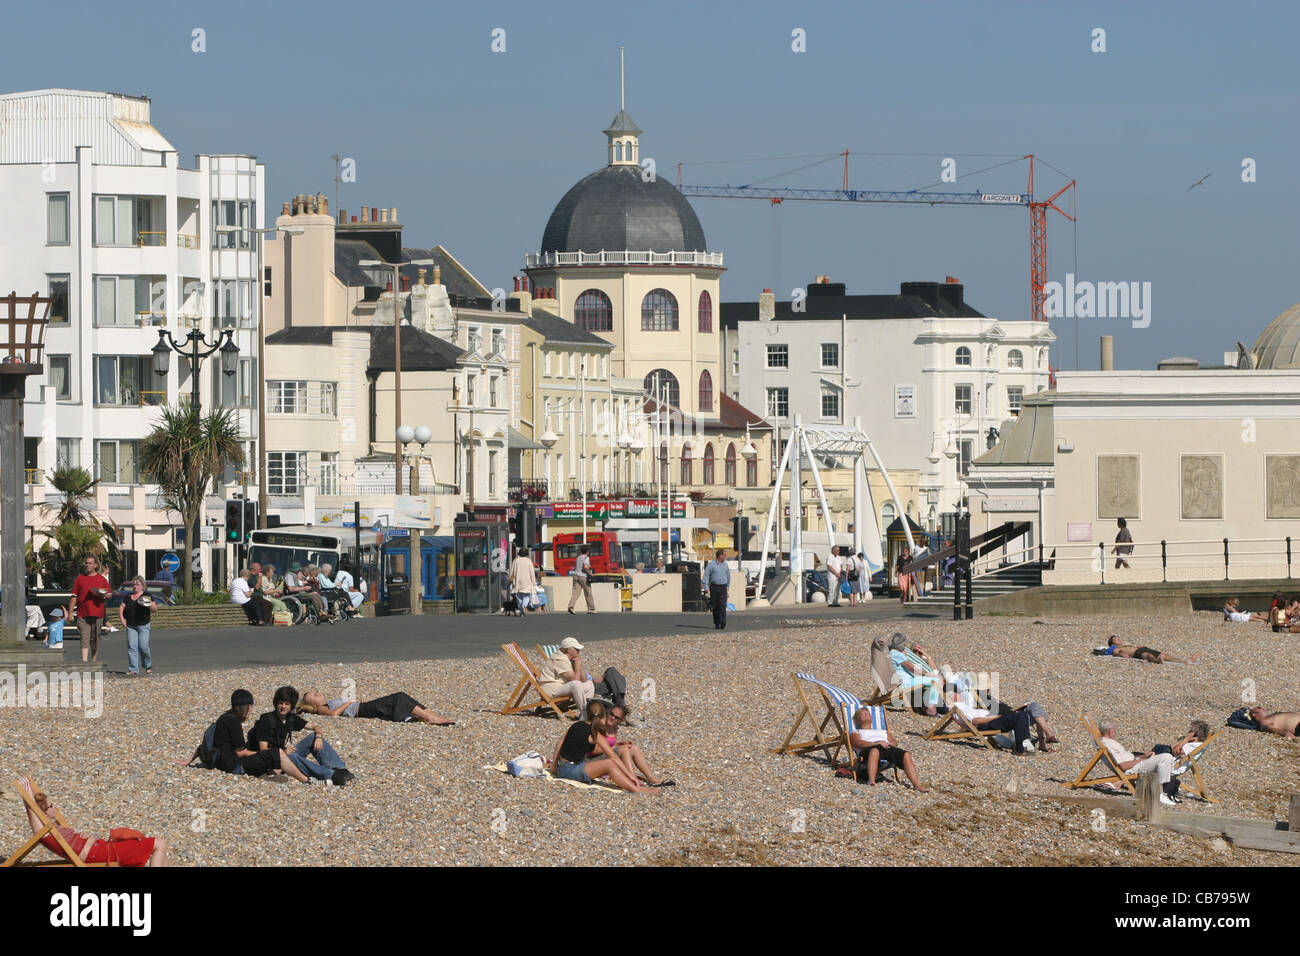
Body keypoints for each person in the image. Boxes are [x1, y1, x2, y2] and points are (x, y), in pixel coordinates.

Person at [17, 776, 168, 867]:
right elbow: (33, 813)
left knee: (159, 846)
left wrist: (79, 836)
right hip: (99, 854)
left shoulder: (53, 827)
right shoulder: (45, 833)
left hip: (102, 848)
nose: (54, 806)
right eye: (50, 806)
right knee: (159, 844)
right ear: (43, 812)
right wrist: (27, 796)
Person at [249, 686, 354, 787]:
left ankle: (339, 769)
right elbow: (263, 750)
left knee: (312, 737)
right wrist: (284, 752)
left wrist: (318, 736)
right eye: (280, 703)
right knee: (292, 756)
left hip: (281, 755)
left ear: (291, 706)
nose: (283, 707)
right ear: (276, 703)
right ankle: (330, 775)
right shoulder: (266, 720)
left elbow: (315, 726)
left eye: (287, 704)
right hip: (267, 762)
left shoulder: (290, 718)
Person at [206, 689, 311, 782]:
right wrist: (266, 755)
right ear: (245, 707)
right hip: (235, 766)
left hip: (223, 763)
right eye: (250, 706)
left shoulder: (223, 718)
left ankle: (278, 772)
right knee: (280, 754)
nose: (251, 710)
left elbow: (205, 742)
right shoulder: (234, 723)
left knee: (287, 755)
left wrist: (189, 761)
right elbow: (240, 753)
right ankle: (307, 780)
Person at [549, 699, 648, 793]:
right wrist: (630, 776)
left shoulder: (576, 725)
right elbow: (613, 757)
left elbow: (560, 742)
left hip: (561, 767)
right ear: (602, 715)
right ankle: (636, 789)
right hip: (570, 771)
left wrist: (554, 765)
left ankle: (636, 784)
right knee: (609, 764)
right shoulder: (595, 734)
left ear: (587, 713)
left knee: (609, 762)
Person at [848, 707, 930, 791]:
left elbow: (894, 742)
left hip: (886, 747)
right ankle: (872, 781)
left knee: (906, 754)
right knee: (875, 750)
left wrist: (889, 744)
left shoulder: (883, 731)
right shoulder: (856, 732)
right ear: (857, 721)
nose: (866, 714)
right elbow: (857, 743)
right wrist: (876, 743)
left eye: (868, 713)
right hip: (869, 749)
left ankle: (917, 785)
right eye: (863, 713)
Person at [1097, 720, 1177, 806]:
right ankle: (1160, 793)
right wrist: (1141, 760)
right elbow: (1123, 766)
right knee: (1166, 757)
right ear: (1110, 731)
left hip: (1135, 762)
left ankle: (1163, 789)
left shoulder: (1108, 741)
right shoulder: (1107, 744)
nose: (1115, 732)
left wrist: (1143, 756)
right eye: (1114, 730)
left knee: (1164, 756)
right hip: (1132, 769)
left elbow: (1126, 759)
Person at [538, 636, 628, 712]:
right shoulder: (560, 659)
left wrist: (578, 663)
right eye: (576, 649)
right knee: (617, 681)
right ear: (569, 649)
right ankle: (618, 704)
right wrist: (577, 663)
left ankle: (619, 700)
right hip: (564, 689)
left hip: (584, 684)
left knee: (612, 672)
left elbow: (584, 679)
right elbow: (576, 681)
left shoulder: (570, 659)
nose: (579, 651)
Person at [595, 700, 674, 786]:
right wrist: (616, 748)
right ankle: (632, 779)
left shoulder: (614, 727)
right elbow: (595, 749)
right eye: (611, 714)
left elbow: (610, 744)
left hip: (607, 755)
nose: (612, 718)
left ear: (620, 720)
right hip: (595, 759)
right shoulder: (600, 725)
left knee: (633, 748)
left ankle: (652, 779)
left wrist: (619, 744)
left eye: (616, 717)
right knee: (625, 749)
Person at [944, 688, 1036, 754]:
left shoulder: (963, 706)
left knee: (1023, 713)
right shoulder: (958, 707)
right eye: (955, 693)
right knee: (1019, 716)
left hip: (992, 721)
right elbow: (975, 721)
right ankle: (1019, 749)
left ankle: (1024, 741)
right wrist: (996, 717)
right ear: (953, 698)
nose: (959, 694)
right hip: (986, 724)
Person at [300, 689, 455, 725]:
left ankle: (433, 716)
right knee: (399, 697)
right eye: (313, 695)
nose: (317, 693)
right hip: (361, 710)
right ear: (314, 704)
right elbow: (334, 715)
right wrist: (350, 702)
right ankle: (431, 717)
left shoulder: (326, 703)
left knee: (402, 698)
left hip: (362, 707)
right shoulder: (321, 709)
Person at [887, 632, 945, 716]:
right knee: (935, 680)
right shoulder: (896, 654)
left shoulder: (894, 653)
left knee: (935, 681)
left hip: (908, 681)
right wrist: (927, 674)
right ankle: (930, 708)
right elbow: (912, 669)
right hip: (905, 683)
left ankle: (927, 706)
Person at [68, 555, 110, 664]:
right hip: (83, 613)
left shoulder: (101, 579)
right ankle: (84, 661)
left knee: (95, 639)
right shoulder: (80, 578)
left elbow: (108, 594)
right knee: (84, 637)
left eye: (90, 563)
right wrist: (70, 613)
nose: (87, 565)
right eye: (86, 563)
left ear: (95, 565)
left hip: (97, 613)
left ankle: (93, 661)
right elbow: (74, 596)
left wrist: (105, 595)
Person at [117, 575, 154, 675]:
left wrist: (149, 604)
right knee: (132, 647)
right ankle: (133, 669)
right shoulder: (128, 596)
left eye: (137, 584)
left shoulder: (146, 595)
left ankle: (147, 664)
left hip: (143, 625)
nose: (135, 586)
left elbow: (154, 609)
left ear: (142, 586)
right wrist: (122, 619)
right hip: (131, 625)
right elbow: (121, 607)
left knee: (143, 646)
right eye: (133, 584)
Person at [1099, 635, 1199, 664]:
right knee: (1148, 656)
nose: (1119, 638)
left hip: (1141, 649)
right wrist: (1123, 656)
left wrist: (1139, 646)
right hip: (1137, 653)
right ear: (1113, 643)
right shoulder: (1114, 649)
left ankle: (1184, 660)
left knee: (1165, 655)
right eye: (1116, 639)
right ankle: (1157, 661)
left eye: (1118, 637)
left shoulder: (1125, 645)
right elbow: (1117, 653)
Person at [703, 548, 731, 629]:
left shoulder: (725, 565)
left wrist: (727, 587)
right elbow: (706, 576)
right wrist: (706, 587)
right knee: (715, 605)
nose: (726, 556)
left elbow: (728, 576)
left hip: (723, 587)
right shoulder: (711, 565)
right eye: (724, 555)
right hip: (714, 587)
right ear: (720, 556)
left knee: (722, 604)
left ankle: (722, 622)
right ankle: (717, 622)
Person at [509, 546, 538, 618]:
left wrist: (510, 580)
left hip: (517, 581)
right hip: (527, 581)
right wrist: (534, 582)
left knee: (518, 596)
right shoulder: (528, 561)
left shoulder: (515, 560)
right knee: (526, 596)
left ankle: (521, 610)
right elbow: (532, 572)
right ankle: (524, 606)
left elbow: (512, 572)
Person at [567, 545, 596, 614]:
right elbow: (585, 567)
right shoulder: (586, 557)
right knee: (588, 592)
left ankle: (571, 606)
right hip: (583, 576)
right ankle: (591, 609)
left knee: (575, 593)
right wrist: (590, 573)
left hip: (575, 575)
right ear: (588, 551)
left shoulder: (578, 557)